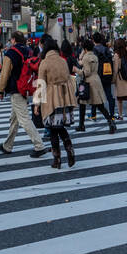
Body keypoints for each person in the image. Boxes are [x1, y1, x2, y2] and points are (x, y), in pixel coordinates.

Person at [0, 31, 48, 157]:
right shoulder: (29, 50)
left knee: (24, 118)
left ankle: (39, 145)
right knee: (14, 119)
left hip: (15, 88)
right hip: (26, 86)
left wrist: (1, 89)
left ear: (13, 40)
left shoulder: (11, 52)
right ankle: (7, 145)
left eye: (11, 40)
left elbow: (5, 73)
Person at [37, 36, 77, 168]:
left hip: (51, 97)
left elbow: (41, 84)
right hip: (64, 96)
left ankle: (57, 159)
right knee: (60, 126)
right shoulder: (62, 60)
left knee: (53, 129)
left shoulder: (45, 62)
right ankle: (69, 148)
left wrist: (37, 104)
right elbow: (68, 78)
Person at [76, 38, 116, 134]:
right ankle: (110, 121)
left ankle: (81, 125)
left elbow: (86, 72)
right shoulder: (94, 56)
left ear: (85, 49)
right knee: (99, 105)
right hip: (96, 80)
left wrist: (76, 70)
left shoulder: (86, 57)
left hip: (88, 82)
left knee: (82, 103)